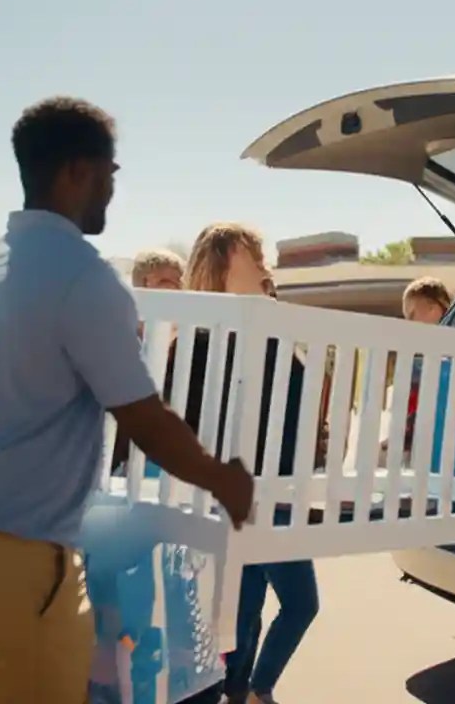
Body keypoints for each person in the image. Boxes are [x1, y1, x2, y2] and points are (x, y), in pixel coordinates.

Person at [0, 96, 255, 704]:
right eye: (109, 173)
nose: (111, 189)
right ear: (77, 171)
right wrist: (219, 478)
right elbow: (143, 417)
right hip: (15, 558)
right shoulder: (83, 276)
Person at [174, 223, 320, 704]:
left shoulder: (274, 338)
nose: (263, 259)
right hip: (223, 500)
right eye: (248, 253)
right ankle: (243, 692)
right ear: (215, 269)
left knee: (248, 610)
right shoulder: (195, 344)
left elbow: (299, 418)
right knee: (238, 613)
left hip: (273, 493)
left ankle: (245, 693)